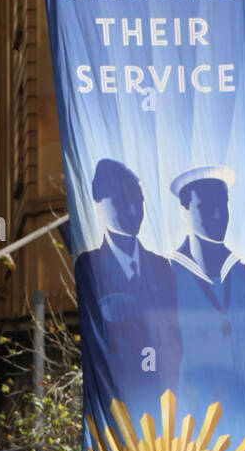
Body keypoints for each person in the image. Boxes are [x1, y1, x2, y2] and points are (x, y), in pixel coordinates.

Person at [75, 158, 181, 405]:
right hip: (114, 401)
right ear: (97, 204)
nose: (133, 210)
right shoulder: (89, 266)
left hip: (163, 400)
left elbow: (176, 339)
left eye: (138, 200)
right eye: (121, 201)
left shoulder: (162, 268)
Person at [169, 166, 245, 418]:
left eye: (224, 204)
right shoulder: (169, 273)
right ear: (184, 210)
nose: (218, 215)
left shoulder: (241, 274)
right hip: (189, 419)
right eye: (205, 207)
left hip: (238, 414)